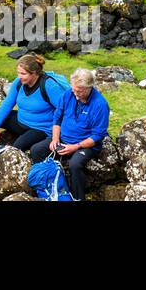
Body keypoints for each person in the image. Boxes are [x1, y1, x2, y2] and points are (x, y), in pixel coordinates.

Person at [0, 53, 64, 159]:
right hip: (21, 122)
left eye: (23, 74)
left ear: (34, 73)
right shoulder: (18, 82)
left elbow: (64, 110)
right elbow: (8, 103)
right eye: (18, 73)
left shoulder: (49, 86)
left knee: (17, 147)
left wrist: (57, 136)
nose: (19, 76)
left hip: (41, 129)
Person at [44, 67, 109, 201]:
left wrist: (75, 147)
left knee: (75, 164)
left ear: (88, 88)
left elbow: (98, 135)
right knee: (37, 150)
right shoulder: (69, 93)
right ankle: (50, 190)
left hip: (86, 145)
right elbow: (57, 117)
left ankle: (78, 198)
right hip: (63, 138)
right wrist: (55, 139)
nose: (74, 93)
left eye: (78, 91)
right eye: (73, 89)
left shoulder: (100, 105)